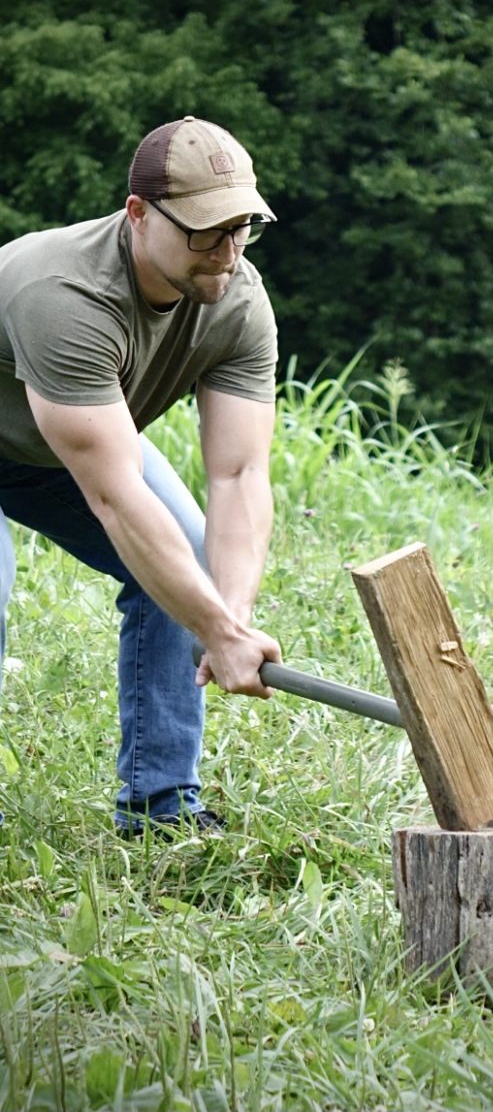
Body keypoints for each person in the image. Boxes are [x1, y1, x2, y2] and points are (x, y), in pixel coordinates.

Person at [0, 115, 283, 837]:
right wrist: (213, 626)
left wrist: (227, 619)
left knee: (185, 568)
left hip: (55, 447)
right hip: (65, 448)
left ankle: (160, 809)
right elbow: (115, 495)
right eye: (205, 232)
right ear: (138, 214)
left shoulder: (238, 303)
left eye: (241, 228)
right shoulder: (63, 292)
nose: (227, 252)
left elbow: (240, 473)